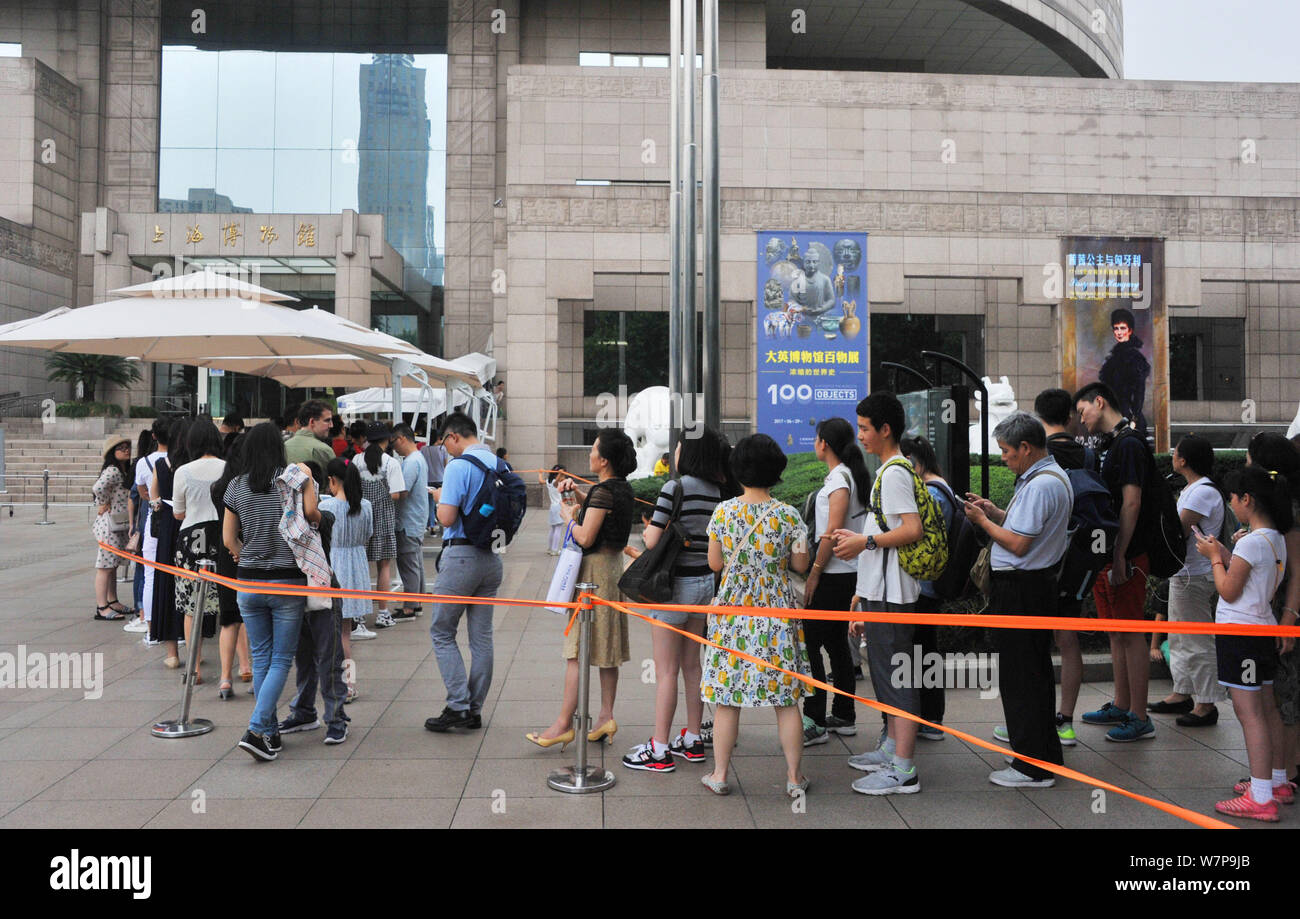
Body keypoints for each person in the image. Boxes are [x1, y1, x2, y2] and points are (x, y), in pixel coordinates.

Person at [963, 412, 1073, 788]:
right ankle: (1040, 756)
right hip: (1031, 588)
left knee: (1021, 676)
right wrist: (995, 513)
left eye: (1007, 452)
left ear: (1026, 448)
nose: (1004, 459)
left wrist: (983, 522)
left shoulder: (1043, 484)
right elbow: (1022, 527)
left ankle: (1032, 766)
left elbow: (1019, 543)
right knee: (1031, 673)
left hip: (1023, 589)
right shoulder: (1047, 477)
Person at [697, 433, 811, 797]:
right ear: (776, 471)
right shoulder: (789, 515)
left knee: (727, 699)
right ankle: (794, 778)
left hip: (732, 617)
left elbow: (714, 563)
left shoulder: (724, 512)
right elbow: (800, 564)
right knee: (787, 700)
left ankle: (719, 774)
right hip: (776, 616)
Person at [621, 427, 733, 773]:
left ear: (690, 453)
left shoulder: (675, 487)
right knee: (692, 666)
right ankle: (694, 739)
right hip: (704, 586)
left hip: (673, 589)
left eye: (680, 446)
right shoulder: (718, 492)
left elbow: (652, 541)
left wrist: (647, 527)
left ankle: (658, 749)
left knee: (666, 670)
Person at [832, 392, 926, 795]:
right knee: (887, 677)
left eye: (866, 428)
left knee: (896, 678)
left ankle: (903, 767)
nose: (861, 436)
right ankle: (892, 749)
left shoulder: (895, 474)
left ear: (886, 429)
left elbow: (911, 529)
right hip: (881, 590)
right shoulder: (890, 470)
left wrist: (864, 543)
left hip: (892, 593)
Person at [526, 429, 637, 748]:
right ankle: (605, 717)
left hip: (594, 574)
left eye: (593, 450)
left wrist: (568, 516)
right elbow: (599, 514)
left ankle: (563, 724)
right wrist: (577, 497)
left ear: (603, 460)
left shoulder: (604, 491)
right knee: (608, 651)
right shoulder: (621, 489)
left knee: (577, 650)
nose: (589, 454)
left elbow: (586, 536)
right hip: (612, 569)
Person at [1194, 465, 1293, 821]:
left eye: (1233, 499)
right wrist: (1224, 551)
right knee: (1266, 711)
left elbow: (1229, 589)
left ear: (1247, 500)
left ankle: (1261, 796)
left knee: (1249, 715)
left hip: (1242, 633)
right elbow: (1248, 577)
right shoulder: (1274, 538)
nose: (1231, 505)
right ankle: (1277, 781)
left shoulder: (1252, 541)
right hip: (1261, 629)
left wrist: (1215, 558)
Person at [223, 422, 318, 761]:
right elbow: (310, 515)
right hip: (287, 580)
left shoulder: (236, 486)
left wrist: (241, 553)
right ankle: (256, 727)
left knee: (262, 657)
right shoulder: (291, 481)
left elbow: (228, 538)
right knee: (280, 658)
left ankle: (269, 732)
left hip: (247, 580)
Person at [1074, 381, 1158, 742]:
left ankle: (1140, 715)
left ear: (1100, 401)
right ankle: (1123, 704)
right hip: (1109, 556)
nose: (1082, 419)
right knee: (1117, 630)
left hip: (1127, 555)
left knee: (1131, 632)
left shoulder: (1128, 444)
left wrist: (1121, 554)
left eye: (1083, 411)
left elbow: (1132, 503)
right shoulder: (1115, 444)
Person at [424, 412, 506, 732]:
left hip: (460, 557)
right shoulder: (499, 464)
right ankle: (474, 708)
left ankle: (457, 705)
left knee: (442, 631)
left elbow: (446, 518)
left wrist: (439, 496)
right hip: (491, 558)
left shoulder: (459, 465)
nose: (444, 450)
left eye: (444, 442)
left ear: (454, 437)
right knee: (481, 638)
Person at [799, 418, 869, 747]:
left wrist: (814, 572)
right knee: (838, 646)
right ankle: (843, 714)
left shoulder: (839, 480)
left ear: (824, 442)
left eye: (816, 438)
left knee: (811, 643)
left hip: (834, 575)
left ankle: (814, 718)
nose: (814, 443)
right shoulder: (845, 475)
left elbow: (832, 531)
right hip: (845, 576)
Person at [1149, 434, 1227, 726]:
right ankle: (1181, 692)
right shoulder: (1195, 488)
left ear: (1184, 459)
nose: (1172, 456)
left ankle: (1207, 703)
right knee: (1180, 636)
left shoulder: (1202, 491)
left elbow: (1176, 530)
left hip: (1195, 575)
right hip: (1185, 573)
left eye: (1175, 452)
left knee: (1196, 639)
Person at [1033, 387, 1090, 746]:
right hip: (1079, 558)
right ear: (1069, 416)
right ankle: (1065, 720)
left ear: (1039, 417)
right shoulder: (1088, 455)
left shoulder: (1038, 454)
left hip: (1041, 560)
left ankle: (1033, 717)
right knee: (1069, 642)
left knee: (1036, 642)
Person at [1244, 433, 1300, 790]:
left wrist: (1288, 621)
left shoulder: (1289, 510)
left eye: (1249, 461)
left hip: (1285, 615)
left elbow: (1299, 571)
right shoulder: (1277, 508)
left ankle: (1286, 774)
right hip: (1275, 611)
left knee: (1285, 696)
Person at [899, 434, 953, 741]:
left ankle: (929, 718)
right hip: (931, 585)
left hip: (923, 587)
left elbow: (913, 535)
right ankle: (930, 717)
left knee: (920, 651)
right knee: (925, 650)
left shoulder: (932, 494)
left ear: (913, 464)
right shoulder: (942, 486)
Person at [171, 419, 226, 688]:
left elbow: (178, 512)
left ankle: (193, 667)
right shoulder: (229, 468)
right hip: (222, 537)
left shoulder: (183, 471)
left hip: (191, 540)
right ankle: (242, 666)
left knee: (191, 607)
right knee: (229, 601)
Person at [320, 457, 374, 701]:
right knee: (345, 634)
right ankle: (349, 683)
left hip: (335, 567)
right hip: (357, 567)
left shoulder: (327, 507)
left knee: (332, 634)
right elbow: (368, 535)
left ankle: (339, 684)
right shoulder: (365, 505)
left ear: (332, 480)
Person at [211, 434, 253, 696]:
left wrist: (233, 550)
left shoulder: (218, 487)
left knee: (228, 620)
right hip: (252, 555)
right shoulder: (251, 486)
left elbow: (226, 530)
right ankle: (252, 669)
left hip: (225, 555)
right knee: (253, 617)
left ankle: (225, 678)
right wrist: (242, 552)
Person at [149, 418, 190, 667]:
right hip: (190, 527)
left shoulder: (160, 464)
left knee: (166, 583)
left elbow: (153, 499)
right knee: (193, 584)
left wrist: (161, 507)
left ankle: (171, 653)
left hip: (167, 529)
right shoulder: (192, 465)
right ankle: (195, 646)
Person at [356, 421, 405, 629]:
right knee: (384, 566)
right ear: (387, 440)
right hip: (384, 517)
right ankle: (383, 613)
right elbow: (396, 494)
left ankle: (357, 615)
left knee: (360, 566)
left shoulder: (357, 460)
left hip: (360, 517)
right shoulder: (390, 463)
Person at [91, 435, 135, 620]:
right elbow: (98, 487)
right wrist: (103, 502)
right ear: (111, 452)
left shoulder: (122, 470)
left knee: (113, 565)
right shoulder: (113, 471)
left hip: (118, 522)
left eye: (127, 447)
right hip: (110, 524)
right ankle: (102, 607)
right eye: (121, 448)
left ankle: (112, 600)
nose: (126, 450)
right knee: (105, 566)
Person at [390, 423, 429, 622]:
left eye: (393, 442)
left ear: (402, 439)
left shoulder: (411, 462)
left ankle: (410, 607)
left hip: (407, 520)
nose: (393, 447)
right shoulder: (418, 458)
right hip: (415, 519)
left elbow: (402, 491)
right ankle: (417, 602)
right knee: (415, 563)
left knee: (408, 564)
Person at [134, 418, 168, 642]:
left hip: (153, 520)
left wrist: (155, 500)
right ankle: (177, 631)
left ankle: (150, 629)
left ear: (154, 436)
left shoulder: (143, 462)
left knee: (150, 575)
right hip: (178, 520)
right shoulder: (180, 459)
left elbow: (142, 491)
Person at [1098, 308, 1151, 439]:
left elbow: (1139, 392)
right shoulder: (1113, 358)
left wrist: (1134, 419)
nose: (1119, 332)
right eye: (1116, 328)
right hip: (1113, 414)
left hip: (1128, 415)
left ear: (1130, 330)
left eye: (1123, 328)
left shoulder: (1135, 358)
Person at [122, 427, 155, 632]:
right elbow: (134, 495)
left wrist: (132, 525)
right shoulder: (148, 464)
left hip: (144, 522)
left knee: (143, 570)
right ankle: (141, 611)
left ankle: (142, 612)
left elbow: (134, 495)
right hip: (145, 524)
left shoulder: (143, 463)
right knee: (144, 570)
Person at [284, 399, 336, 468]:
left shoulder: (284, 447)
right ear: (312, 422)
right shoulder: (323, 450)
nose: (331, 425)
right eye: (327, 420)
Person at [420, 429, 448, 533]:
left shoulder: (423, 449)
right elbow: (446, 464)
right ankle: (444, 524)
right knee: (442, 502)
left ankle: (431, 525)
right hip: (441, 479)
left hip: (428, 479)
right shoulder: (442, 449)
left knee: (429, 505)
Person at [539, 465, 568, 555]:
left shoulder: (548, 481)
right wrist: (560, 473)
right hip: (558, 507)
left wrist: (540, 473)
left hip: (552, 507)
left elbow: (540, 481)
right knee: (558, 529)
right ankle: (554, 550)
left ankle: (550, 548)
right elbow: (558, 479)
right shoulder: (555, 482)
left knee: (553, 529)